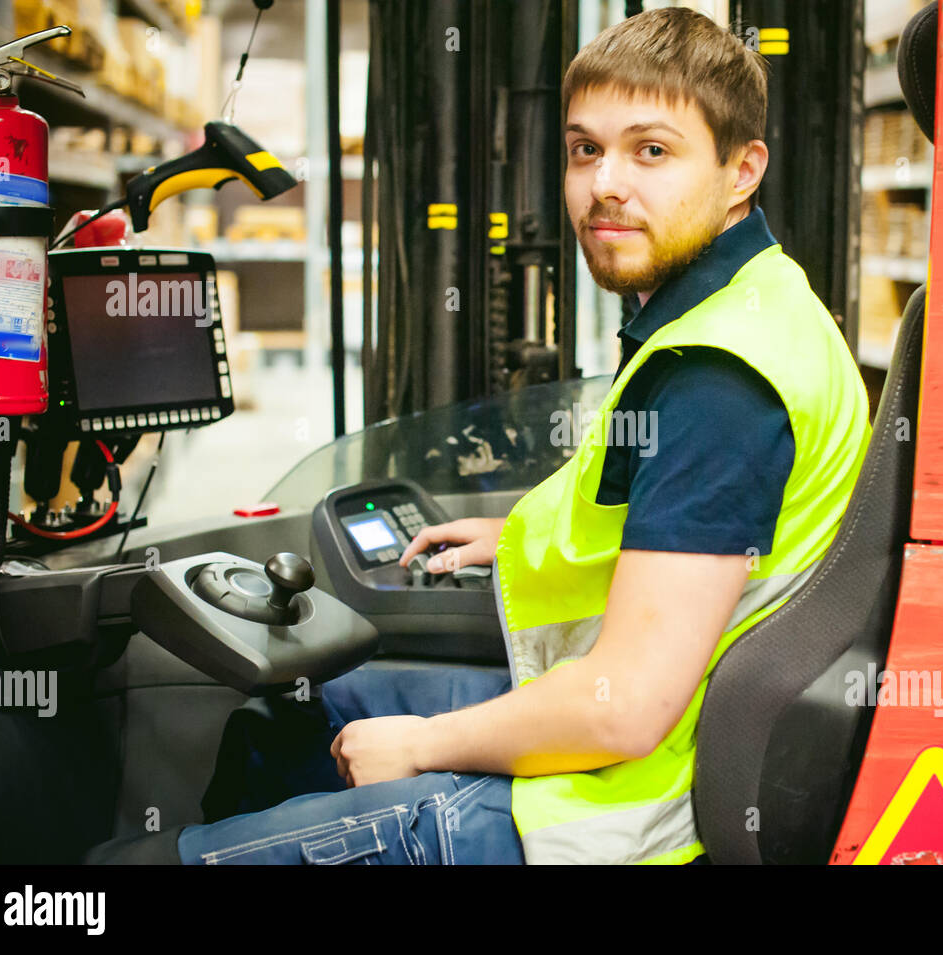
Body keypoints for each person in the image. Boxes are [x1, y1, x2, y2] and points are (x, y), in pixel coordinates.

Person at [111, 6, 871, 866]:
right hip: (638, 759)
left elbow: (624, 707)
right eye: (586, 149)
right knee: (303, 707)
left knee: (138, 867)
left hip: (615, 811)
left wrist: (425, 744)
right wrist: (516, 536)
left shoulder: (718, 377)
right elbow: (679, 528)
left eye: (651, 151)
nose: (605, 184)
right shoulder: (751, 302)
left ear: (743, 171)